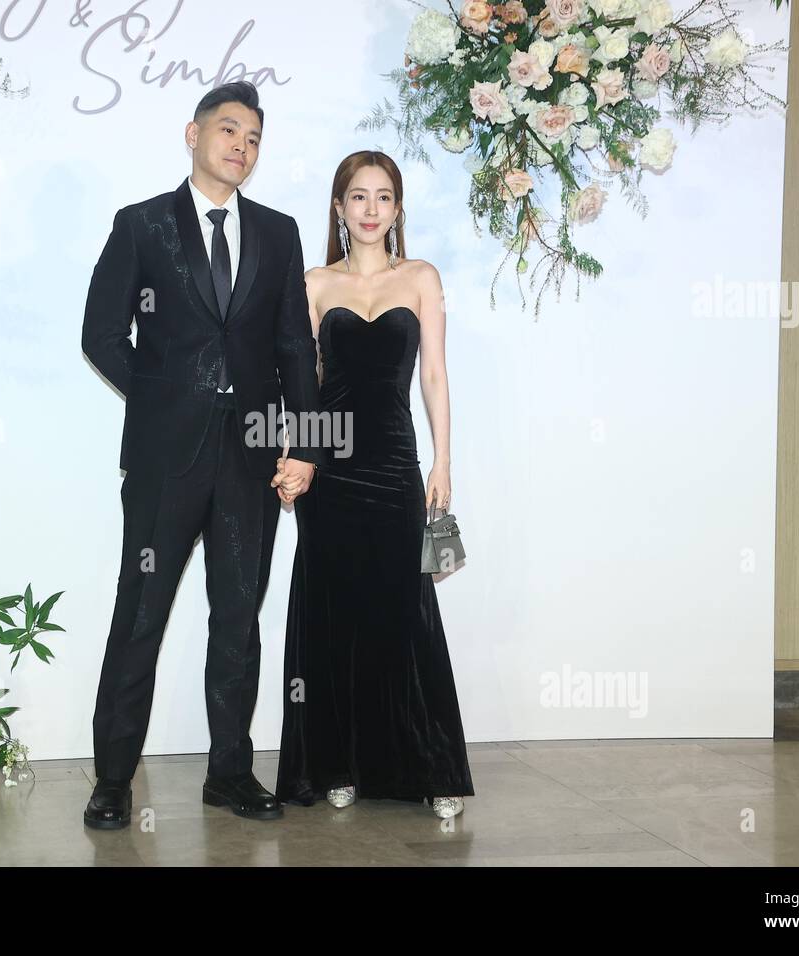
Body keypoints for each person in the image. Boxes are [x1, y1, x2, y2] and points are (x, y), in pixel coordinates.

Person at [80, 81, 324, 829]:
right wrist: (160, 403)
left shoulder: (280, 233)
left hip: (250, 461)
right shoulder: (143, 225)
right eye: (228, 131)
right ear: (193, 134)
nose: (240, 147)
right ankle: (113, 779)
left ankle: (229, 773)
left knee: (238, 618)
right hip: (166, 460)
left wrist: (303, 444)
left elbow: (293, 347)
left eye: (253, 137)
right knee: (140, 616)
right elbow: (100, 334)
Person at [273, 150, 474, 819]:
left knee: (404, 610)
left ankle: (433, 769)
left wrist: (443, 462)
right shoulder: (313, 284)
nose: (369, 209)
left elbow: (435, 376)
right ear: (338, 207)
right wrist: (294, 454)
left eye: (382, 197)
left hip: (393, 461)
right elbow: (298, 384)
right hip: (330, 466)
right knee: (334, 615)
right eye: (357, 197)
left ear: (397, 209)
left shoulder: (420, 277)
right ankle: (337, 765)